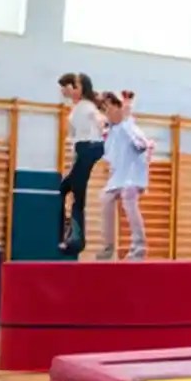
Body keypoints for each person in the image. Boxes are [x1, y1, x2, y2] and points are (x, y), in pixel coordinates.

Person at [96, 90, 152, 260]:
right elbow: (108, 153)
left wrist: (142, 145)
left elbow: (142, 145)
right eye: (103, 110)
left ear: (116, 107)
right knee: (105, 198)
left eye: (108, 108)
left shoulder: (129, 126)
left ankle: (139, 247)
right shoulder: (111, 130)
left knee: (129, 201)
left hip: (133, 174)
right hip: (119, 174)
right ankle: (108, 246)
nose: (106, 113)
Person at [57, 72, 105, 255]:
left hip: (88, 148)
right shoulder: (80, 107)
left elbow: (99, 119)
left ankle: (75, 239)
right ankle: (69, 233)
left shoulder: (86, 106)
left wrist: (103, 126)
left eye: (70, 86)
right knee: (66, 189)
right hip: (84, 149)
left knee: (76, 195)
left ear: (80, 89)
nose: (65, 90)